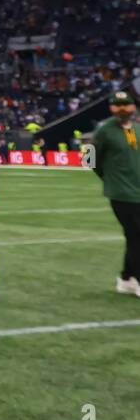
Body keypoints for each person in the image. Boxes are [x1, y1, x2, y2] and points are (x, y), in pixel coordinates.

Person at [89, 91, 140, 296]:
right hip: (120, 193)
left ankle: (127, 278)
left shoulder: (135, 129)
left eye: (125, 105)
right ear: (111, 108)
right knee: (137, 235)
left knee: (134, 236)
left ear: (133, 107)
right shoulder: (104, 131)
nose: (121, 109)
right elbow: (89, 158)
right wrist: (108, 177)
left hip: (137, 191)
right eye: (116, 105)